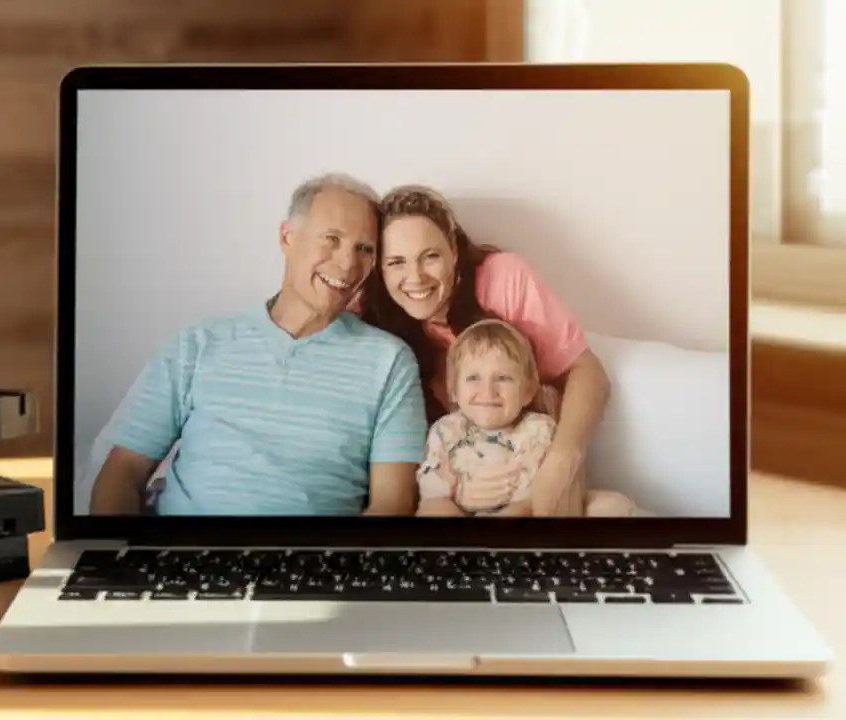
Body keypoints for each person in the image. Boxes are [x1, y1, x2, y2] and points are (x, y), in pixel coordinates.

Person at [88, 173, 427, 516]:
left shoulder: (389, 361)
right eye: (331, 239)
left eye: (364, 249)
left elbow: (392, 504)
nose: (348, 264)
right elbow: (123, 472)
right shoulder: (197, 346)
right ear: (287, 237)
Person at [358, 184, 635, 517]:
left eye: (430, 256)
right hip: (450, 495)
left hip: (528, 486)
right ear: (380, 268)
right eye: (396, 262)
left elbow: (587, 372)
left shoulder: (501, 278)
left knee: (616, 511)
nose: (415, 277)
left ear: (454, 252)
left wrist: (562, 461)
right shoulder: (372, 318)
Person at [418, 319, 556, 517]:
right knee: (431, 509)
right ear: (454, 390)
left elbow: (536, 498)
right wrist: (458, 493)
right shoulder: (446, 430)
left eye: (503, 378)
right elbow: (432, 487)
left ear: (528, 391)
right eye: (473, 378)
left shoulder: (537, 430)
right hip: (457, 509)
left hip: (516, 512)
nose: (488, 392)